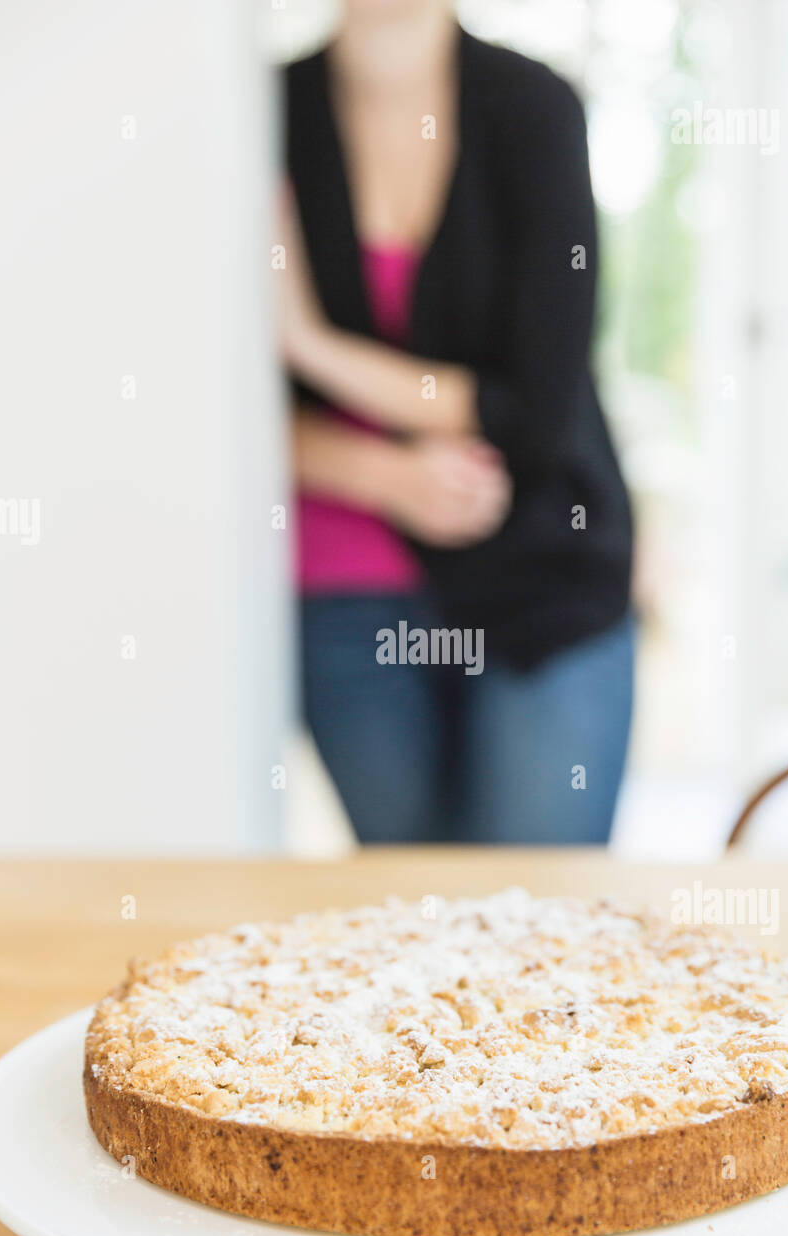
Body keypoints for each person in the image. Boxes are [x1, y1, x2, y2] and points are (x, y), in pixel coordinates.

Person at [277, 0, 634, 844]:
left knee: (539, 918)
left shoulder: (532, 107)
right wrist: (382, 475)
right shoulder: (264, 111)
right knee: (410, 922)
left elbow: (535, 410)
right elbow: (220, 405)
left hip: (542, 570)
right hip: (346, 584)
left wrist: (310, 345)